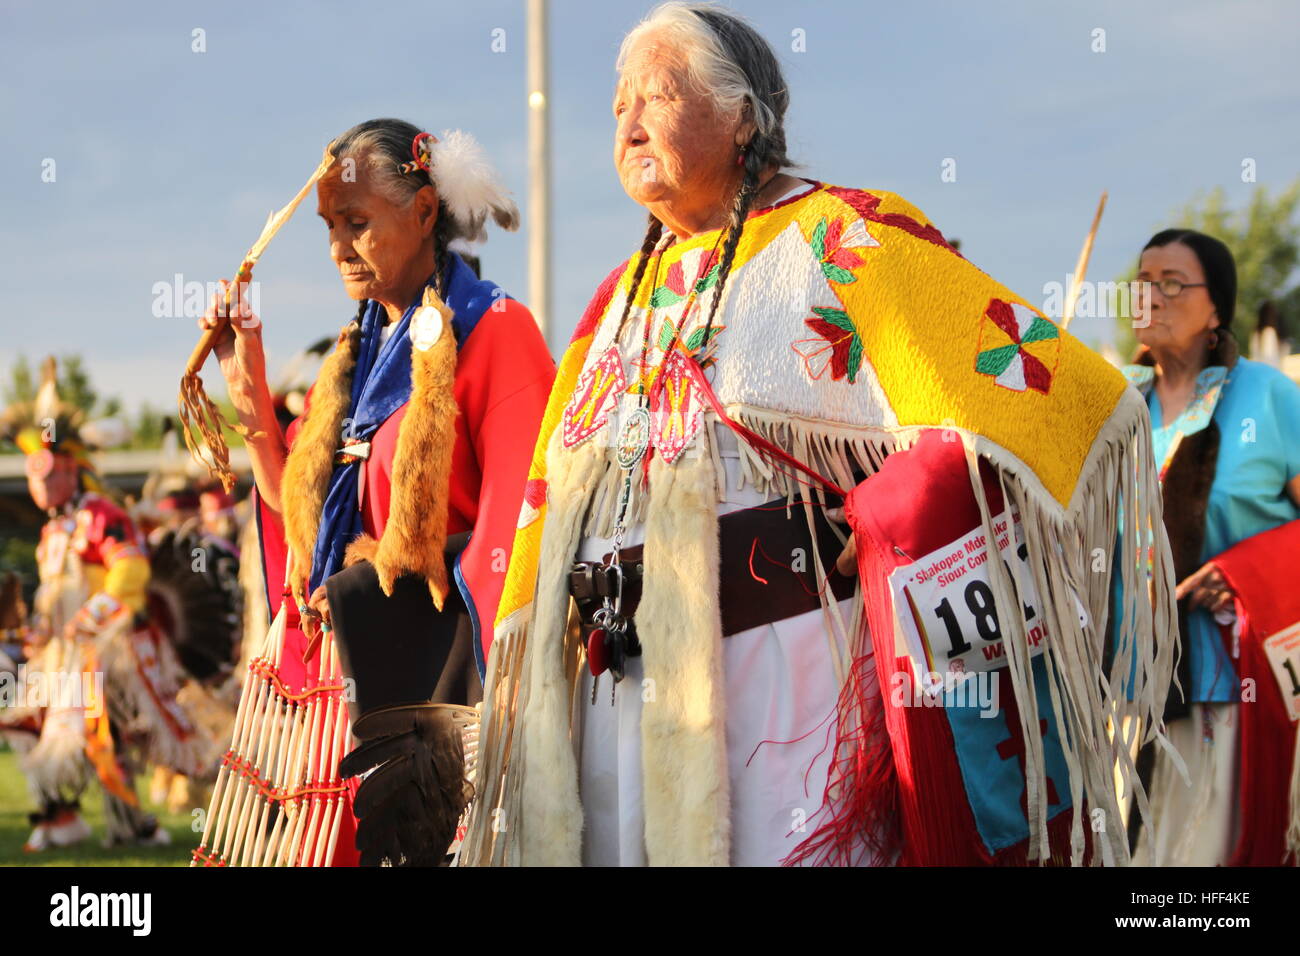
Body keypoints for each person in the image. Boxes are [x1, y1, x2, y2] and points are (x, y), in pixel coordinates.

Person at [460, 2, 1176, 867]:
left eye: (657, 93)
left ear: (743, 120)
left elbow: (1036, 398)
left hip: (787, 679)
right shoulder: (615, 299)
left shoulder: (841, 238)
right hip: (622, 692)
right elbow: (545, 499)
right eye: (618, 103)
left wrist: (896, 509)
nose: (630, 120)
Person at [194, 118, 553, 866]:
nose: (336, 248)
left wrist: (376, 591)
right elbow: (302, 538)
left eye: (357, 223)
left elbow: (519, 539)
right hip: (337, 701)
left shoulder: (498, 333)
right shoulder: (350, 365)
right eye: (329, 226)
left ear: (425, 212)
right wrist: (249, 390)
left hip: (432, 700)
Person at [1125, 229, 1300, 866]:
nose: (1152, 295)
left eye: (1172, 282)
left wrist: (1245, 572)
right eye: (1143, 281)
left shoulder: (1269, 397)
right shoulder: (1118, 410)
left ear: (1217, 309)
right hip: (1139, 688)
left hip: (1240, 683)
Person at [1, 359, 200, 850]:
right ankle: (59, 814)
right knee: (25, 722)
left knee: (104, 735)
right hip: (61, 655)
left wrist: (90, 620)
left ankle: (133, 823)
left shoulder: (101, 515)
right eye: (33, 476)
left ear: (72, 468)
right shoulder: (51, 532)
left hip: (106, 650)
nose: (40, 484)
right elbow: (52, 595)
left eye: (50, 473)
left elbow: (129, 570)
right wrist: (42, 631)